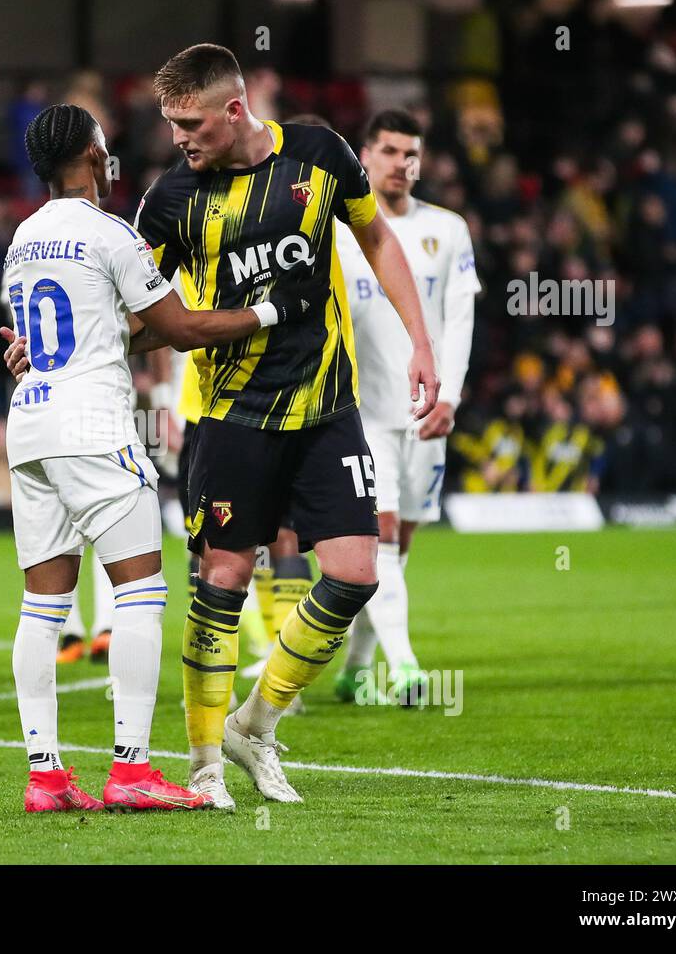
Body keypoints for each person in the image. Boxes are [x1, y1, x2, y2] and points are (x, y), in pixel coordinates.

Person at [132, 44, 438, 808]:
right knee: (225, 577)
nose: (178, 138)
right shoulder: (169, 201)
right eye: (170, 124)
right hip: (232, 416)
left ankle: (254, 725)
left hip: (328, 407)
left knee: (356, 572)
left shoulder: (319, 153)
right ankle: (204, 766)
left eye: (189, 122)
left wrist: (420, 345)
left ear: (234, 111)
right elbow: (137, 308)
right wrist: (60, 343)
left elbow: (376, 240)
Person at [0, 103, 320, 812]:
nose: (111, 160)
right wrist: (276, 311)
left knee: (43, 604)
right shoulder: (110, 232)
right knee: (140, 594)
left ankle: (46, 776)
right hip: (93, 427)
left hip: (31, 428)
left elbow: (67, 334)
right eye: (105, 149)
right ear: (89, 154)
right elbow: (179, 330)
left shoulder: (23, 239)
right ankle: (132, 771)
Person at [333, 110, 480, 706]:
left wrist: (451, 396)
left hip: (427, 415)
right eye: (390, 151)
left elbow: (460, 320)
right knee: (380, 538)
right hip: (363, 412)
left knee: (400, 547)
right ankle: (407, 669)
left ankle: (355, 667)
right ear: (365, 156)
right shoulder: (341, 232)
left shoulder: (448, 230)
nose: (402, 164)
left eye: (411, 153)